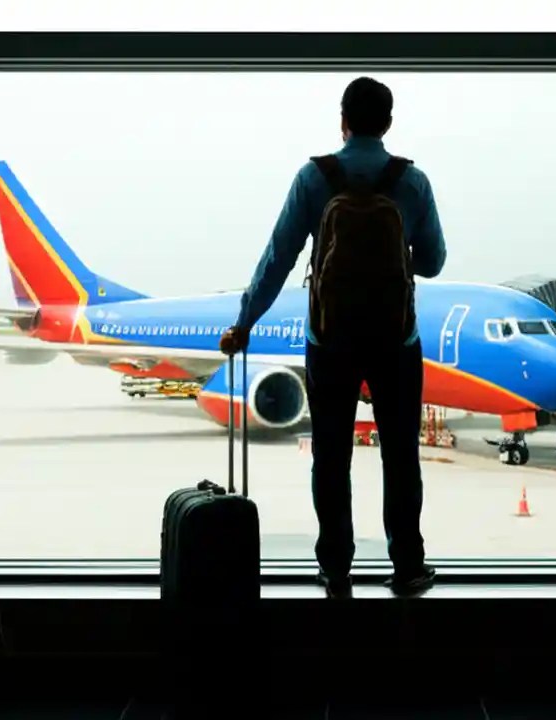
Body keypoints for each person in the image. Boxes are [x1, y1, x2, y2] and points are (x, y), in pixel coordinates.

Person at [219, 76, 446, 598]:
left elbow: (277, 259)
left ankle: (335, 565)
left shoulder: (313, 178)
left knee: (331, 455)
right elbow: (432, 262)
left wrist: (245, 322)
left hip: (330, 339)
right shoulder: (411, 183)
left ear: (342, 120)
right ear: (388, 123)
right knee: (400, 455)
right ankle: (408, 564)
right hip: (396, 341)